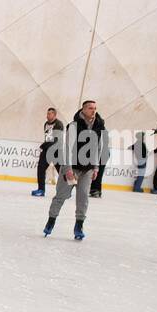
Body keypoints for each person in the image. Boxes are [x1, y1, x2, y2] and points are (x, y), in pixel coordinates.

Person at [43, 100, 106, 240]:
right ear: (83, 110)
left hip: (88, 169)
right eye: (90, 108)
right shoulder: (73, 126)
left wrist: (96, 167)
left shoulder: (99, 126)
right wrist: (68, 168)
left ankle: (79, 226)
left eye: (95, 108)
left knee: (83, 197)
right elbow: (67, 148)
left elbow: (98, 148)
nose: (93, 111)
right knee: (61, 195)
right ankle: (51, 221)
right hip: (72, 168)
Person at [32, 107, 63, 197]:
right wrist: (45, 146)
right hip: (47, 150)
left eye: (49, 114)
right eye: (47, 113)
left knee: (61, 171)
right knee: (41, 168)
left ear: (54, 114)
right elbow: (47, 137)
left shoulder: (59, 124)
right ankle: (41, 190)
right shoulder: (46, 124)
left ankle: (66, 190)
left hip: (57, 150)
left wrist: (45, 145)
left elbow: (56, 139)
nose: (47, 115)